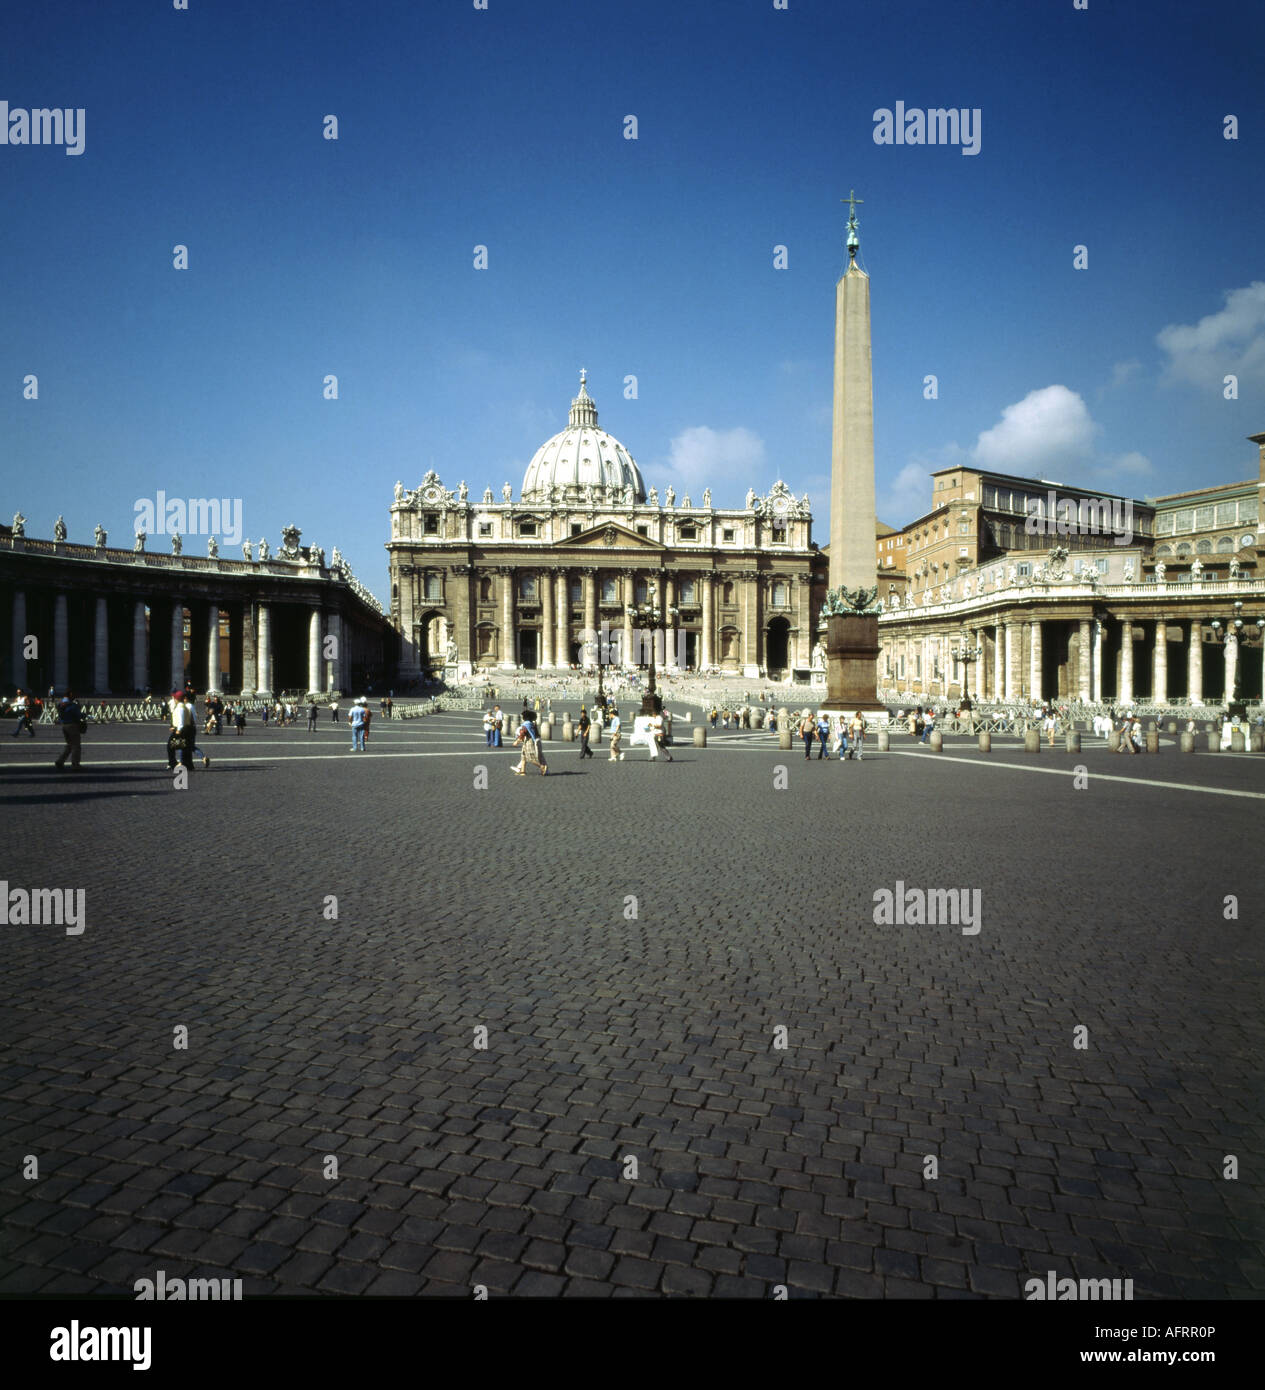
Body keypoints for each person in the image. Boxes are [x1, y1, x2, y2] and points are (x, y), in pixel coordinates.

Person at [53, 690, 86, 771]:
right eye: (73, 694)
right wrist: (83, 715)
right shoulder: (72, 705)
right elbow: (78, 715)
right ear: (70, 695)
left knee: (69, 745)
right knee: (76, 746)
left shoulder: (60, 704)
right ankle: (75, 764)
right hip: (72, 726)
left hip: (64, 725)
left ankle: (60, 761)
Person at [169, 689, 196, 777]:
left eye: (174, 698)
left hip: (180, 729)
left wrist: (178, 730)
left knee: (170, 746)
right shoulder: (183, 706)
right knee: (185, 747)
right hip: (186, 729)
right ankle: (188, 765)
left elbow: (181, 720)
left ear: (177, 698)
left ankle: (173, 763)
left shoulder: (180, 707)